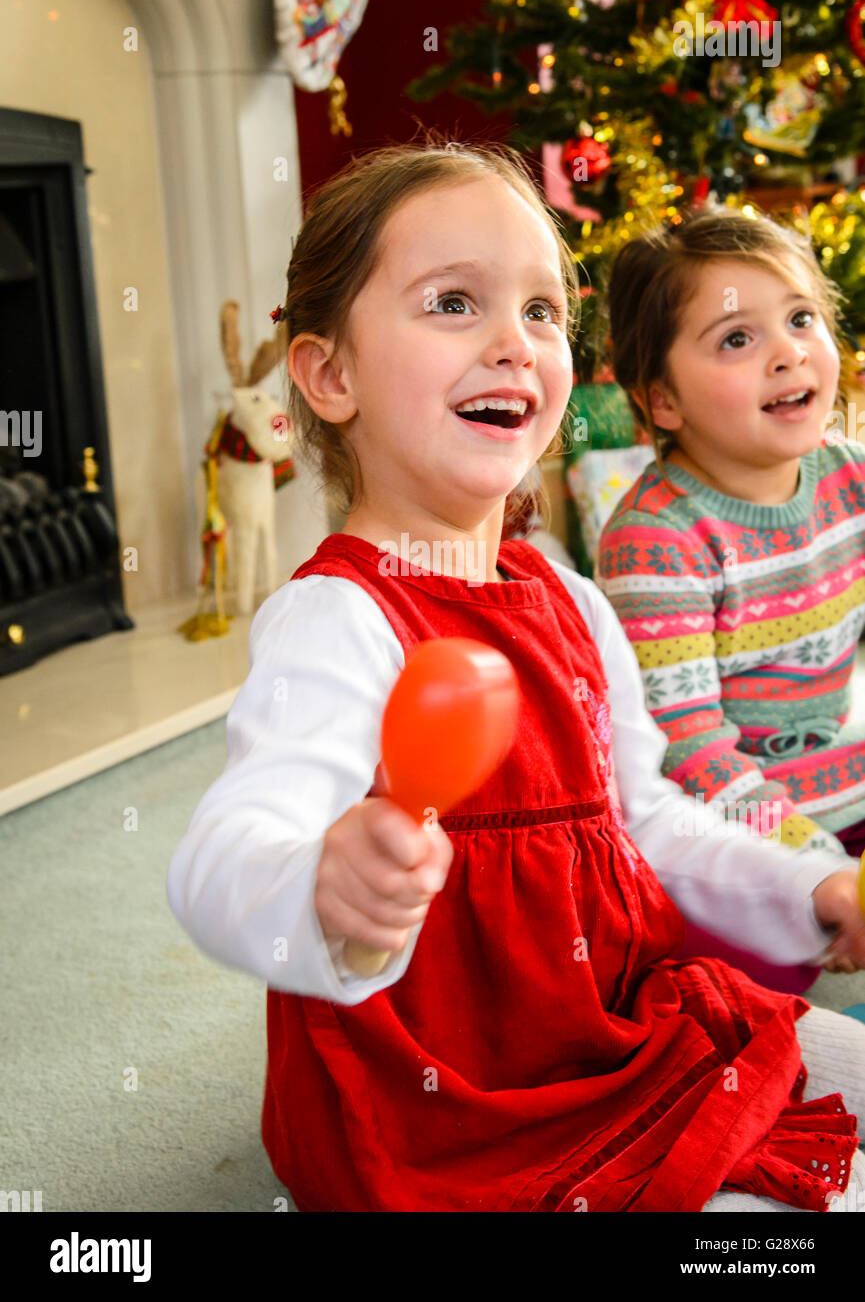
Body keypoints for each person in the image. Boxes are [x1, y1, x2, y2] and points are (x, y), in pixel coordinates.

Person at [166, 140, 865, 1213]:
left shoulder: (574, 602)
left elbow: (647, 823)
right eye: (453, 302)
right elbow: (220, 854)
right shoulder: (339, 619)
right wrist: (318, 887)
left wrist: (805, 886)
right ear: (329, 374)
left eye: (541, 312)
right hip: (441, 1104)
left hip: (602, 1023)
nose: (512, 342)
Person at [597, 205, 865, 996]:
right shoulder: (656, 539)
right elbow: (690, 750)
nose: (785, 354)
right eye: (736, 339)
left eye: (799, 319)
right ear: (662, 401)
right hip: (725, 824)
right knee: (728, 992)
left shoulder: (848, 478)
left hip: (843, 787)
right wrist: (810, 871)